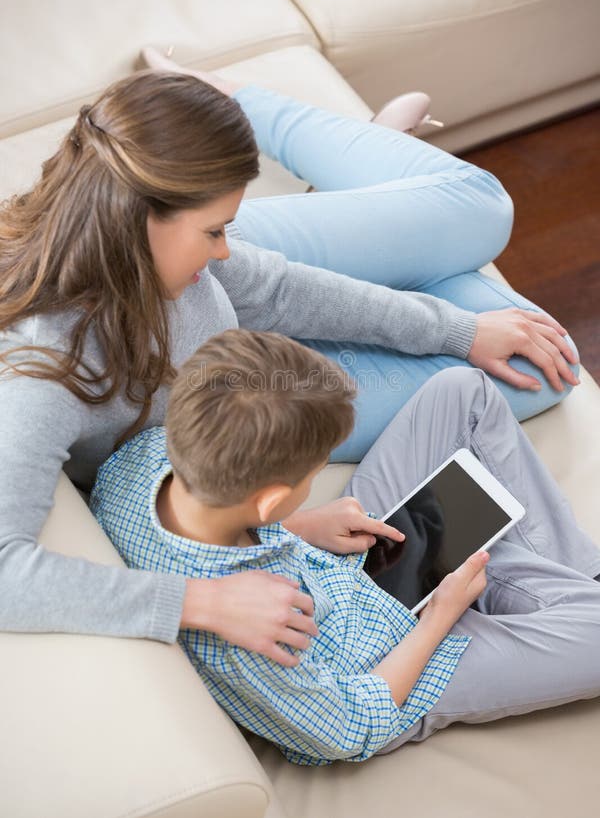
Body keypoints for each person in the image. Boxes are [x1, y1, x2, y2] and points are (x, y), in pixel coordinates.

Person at [0, 63, 579, 663]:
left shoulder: (190, 253)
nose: (224, 248)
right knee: (540, 374)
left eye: (224, 228)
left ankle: (246, 106)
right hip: (257, 394)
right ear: (138, 222)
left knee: (482, 207)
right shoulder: (44, 372)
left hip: (236, 327)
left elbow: (275, 289)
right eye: (215, 230)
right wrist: (201, 601)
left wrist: (459, 331)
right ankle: (371, 197)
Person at [90, 329, 600, 766]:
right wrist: (439, 617)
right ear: (268, 498)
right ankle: (527, 579)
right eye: (315, 472)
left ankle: (535, 572)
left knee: (462, 391)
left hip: (336, 563)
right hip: (391, 667)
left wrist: (304, 524)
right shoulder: (252, 633)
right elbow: (347, 727)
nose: (319, 474)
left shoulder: (144, 457)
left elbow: (221, 522)